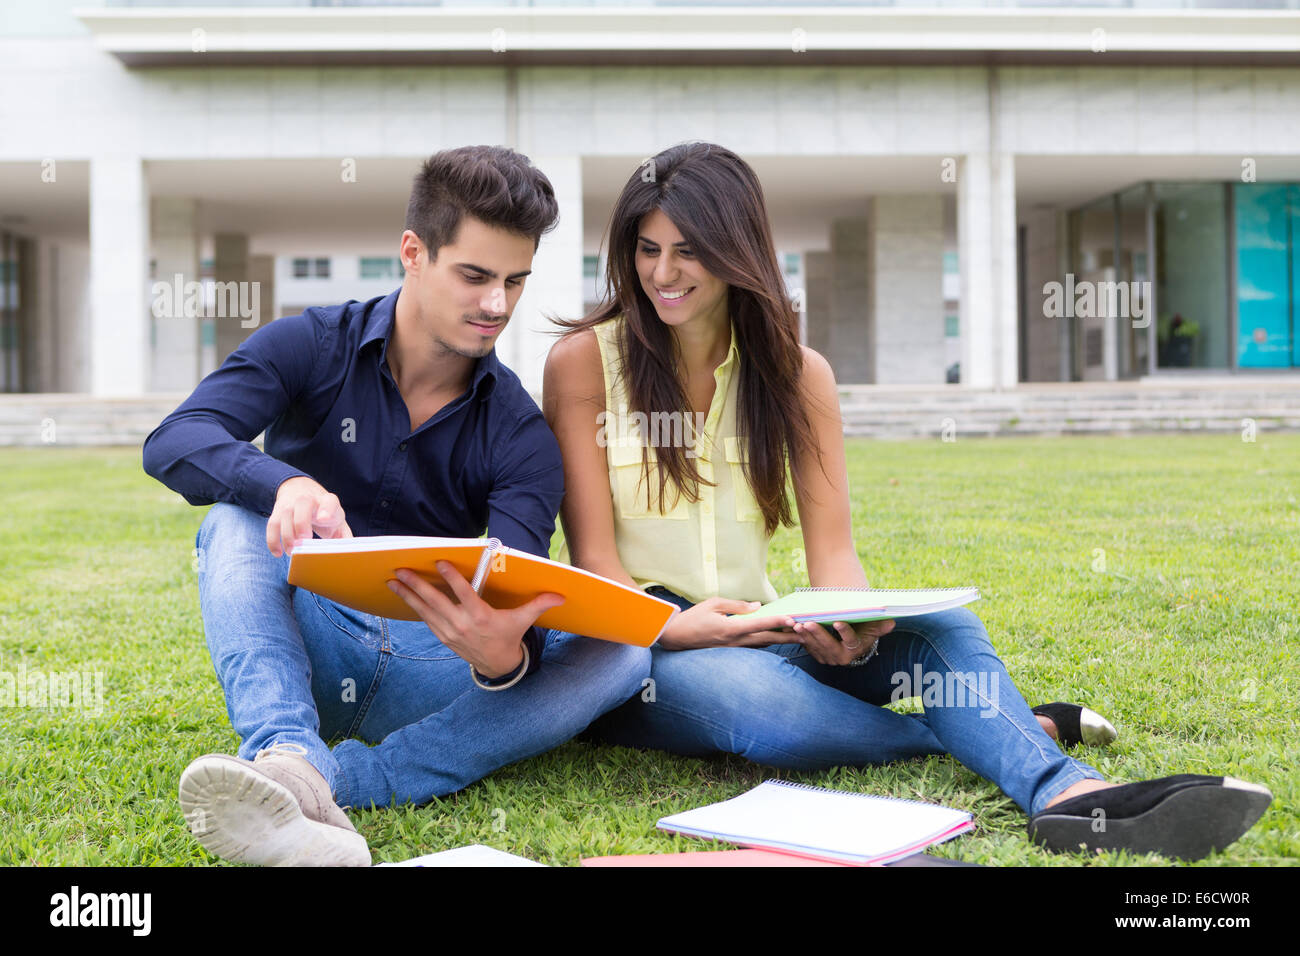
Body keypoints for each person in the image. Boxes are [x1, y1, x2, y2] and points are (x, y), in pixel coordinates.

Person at [543, 141, 1272, 860]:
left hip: (770, 634)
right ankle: (1011, 730)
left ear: (738, 253)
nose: (662, 273)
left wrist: (849, 623)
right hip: (645, 658)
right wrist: (679, 630)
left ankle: (1063, 792)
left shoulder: (799, 376)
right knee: (762, 709)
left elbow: (834, 552)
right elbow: (595, 565)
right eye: (647, 249)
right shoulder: (584, 365)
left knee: (943, 628)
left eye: (688, 252)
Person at [143, 145, 649, 867]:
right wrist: (281, 483)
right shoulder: (310, 344)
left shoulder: (522, 435)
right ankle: (285, 747)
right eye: (474, 276)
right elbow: (174, 440)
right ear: (414, 252)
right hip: (308, 643)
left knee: (624, 654)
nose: (497, 305)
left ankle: (328, 783)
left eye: (514, 280)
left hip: (433, 667)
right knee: (229, 518)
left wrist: (502, 658)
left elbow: (519, 601)